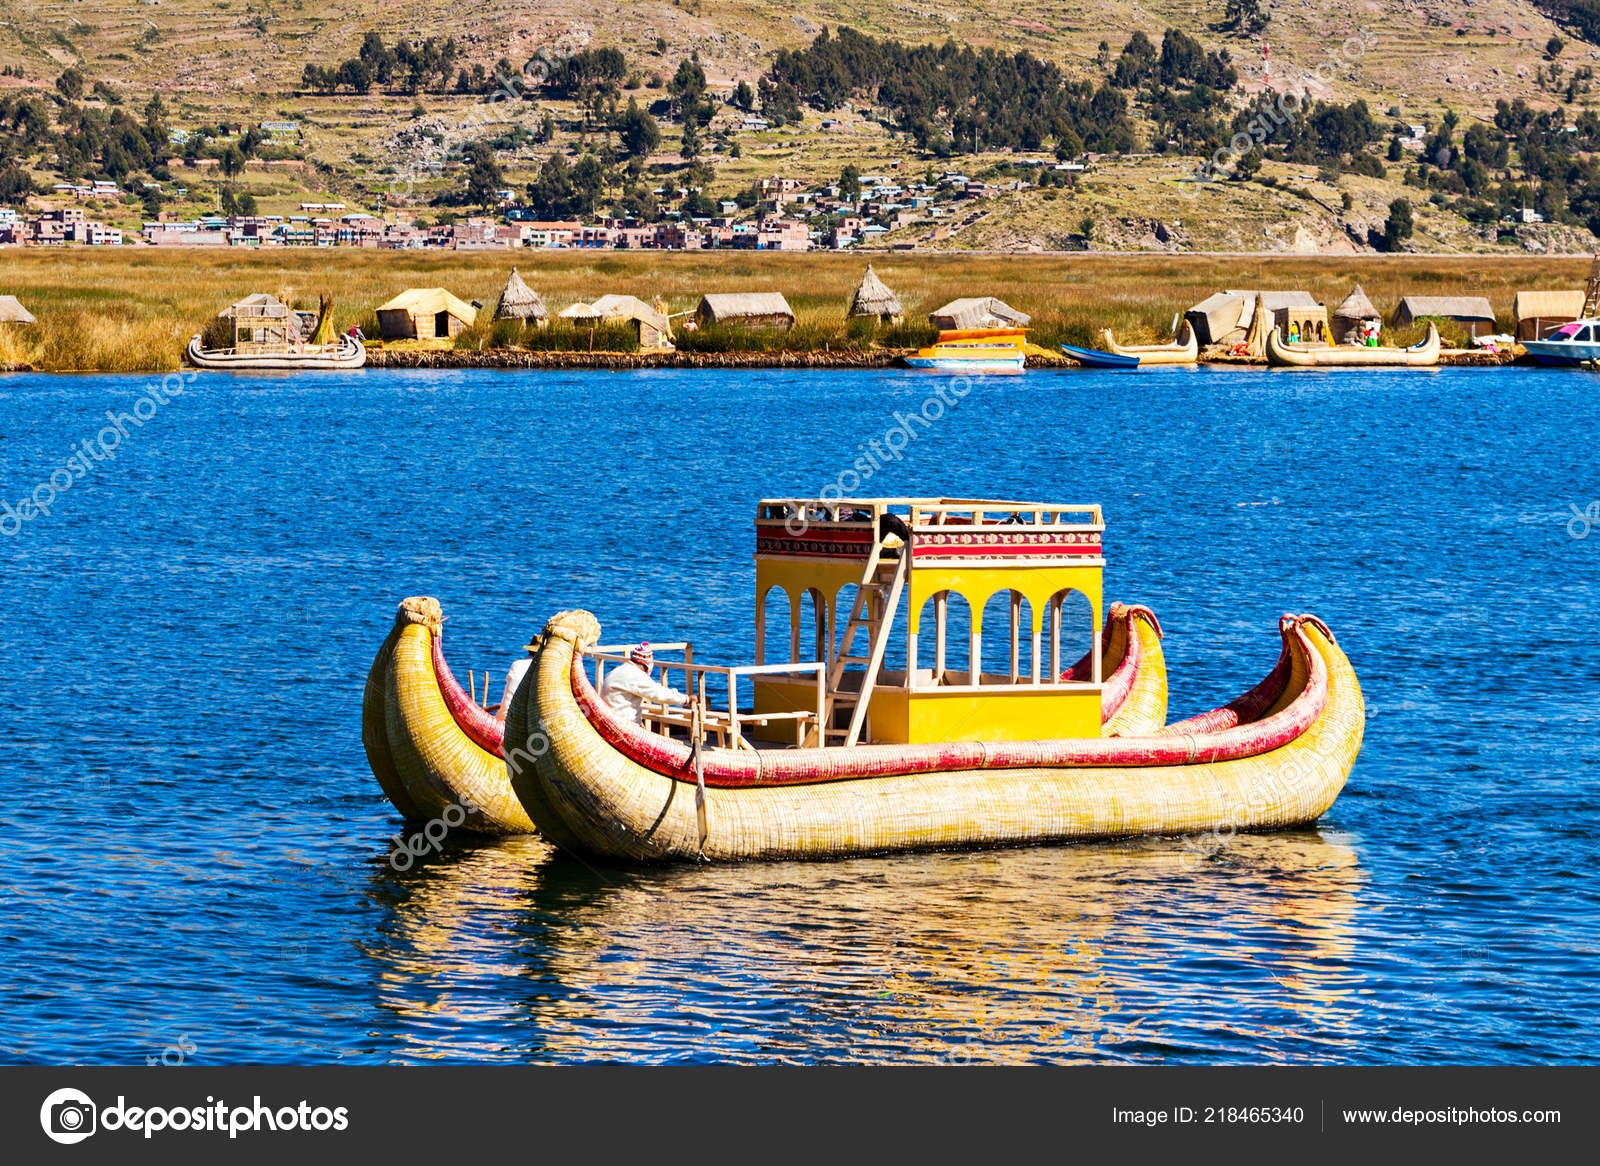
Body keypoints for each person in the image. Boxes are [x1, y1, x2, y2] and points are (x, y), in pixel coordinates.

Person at [601, 643, 692, 726]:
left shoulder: (617, 670)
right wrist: (685, 699)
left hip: (608, 719)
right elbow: (658, 694)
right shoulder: (635, 675)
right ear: (646, 665)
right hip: (622, 724)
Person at [495, 639, 539, 723]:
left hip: (506, 717)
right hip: (530, 721)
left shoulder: (517, 664)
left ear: (529, 650)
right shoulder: (544, 669)